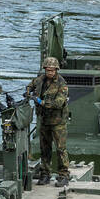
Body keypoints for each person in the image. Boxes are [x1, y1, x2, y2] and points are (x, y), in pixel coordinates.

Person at [27, 56, 70, 185]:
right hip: (44, 119)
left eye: (52, 70)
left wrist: (40, 101)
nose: (49, 73)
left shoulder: (62, 84)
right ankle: (45, 173)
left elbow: (58, 103)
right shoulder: (40, 80)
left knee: (60, 149)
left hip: (58, 122)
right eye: (47, 70)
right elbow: (30, 85)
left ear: (56, 70)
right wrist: (29, 92)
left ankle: (64, 175)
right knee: (44, 148)